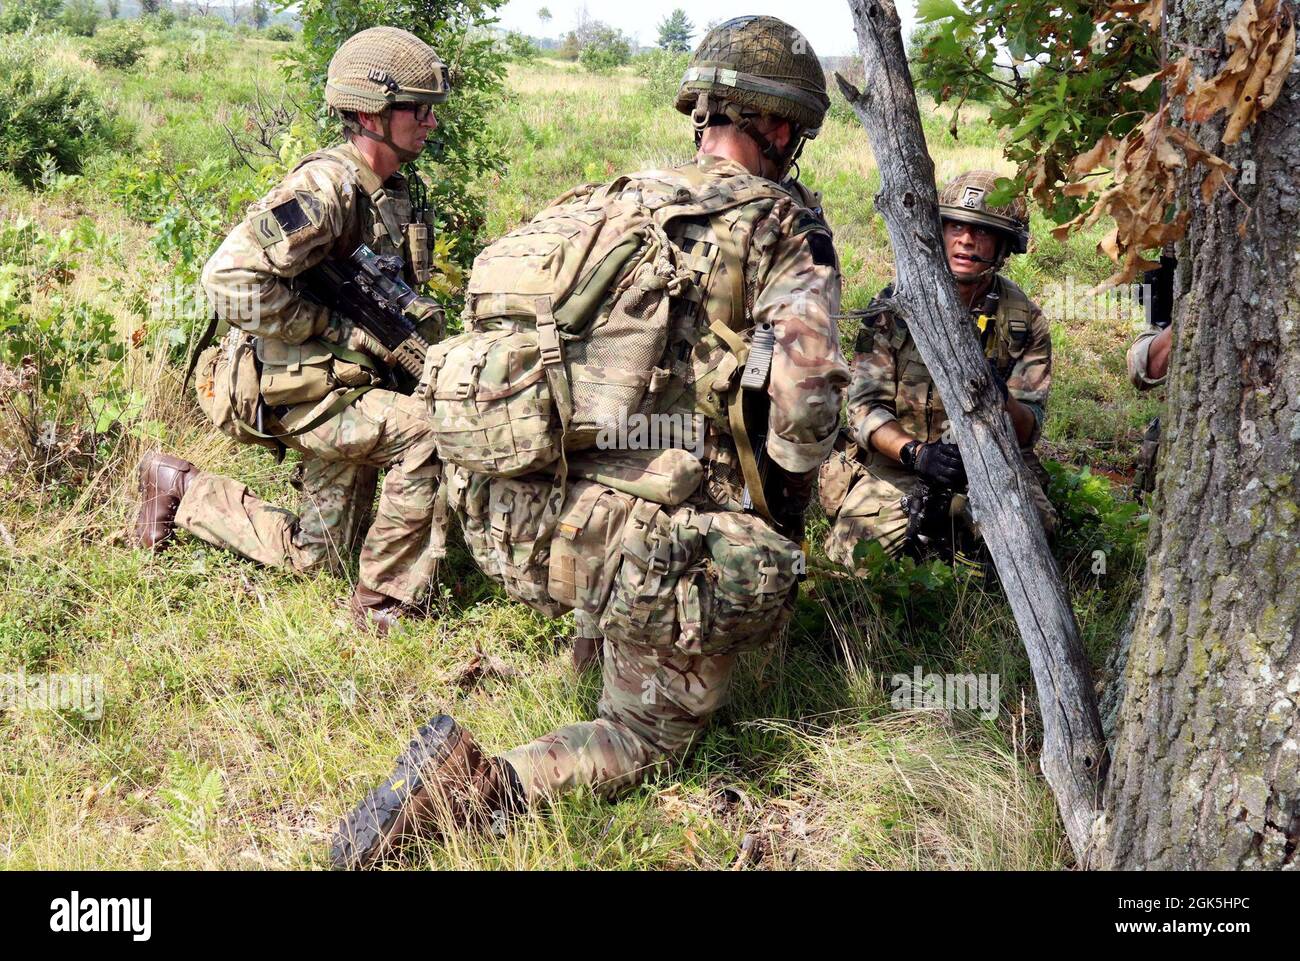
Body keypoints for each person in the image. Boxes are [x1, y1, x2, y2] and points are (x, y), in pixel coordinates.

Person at [329, 14, 851, 870]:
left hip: (511, 513)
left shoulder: (606, 201)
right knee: (648, 734)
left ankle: (601, 634)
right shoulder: (778, 226)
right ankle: (473, 790)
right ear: (784, 129)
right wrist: (781, 523)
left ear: (703, 112)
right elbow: (806, 408)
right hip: (635, 541)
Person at [133, 27, 448, 634]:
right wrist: (329, 324)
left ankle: (180, 489)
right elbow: (227, 279)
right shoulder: (325, 188)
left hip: (344, 381)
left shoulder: (393, 194)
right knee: (426, 436)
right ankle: (384, 606)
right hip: (296, 387)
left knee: (315, 558)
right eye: (418, 108)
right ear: (370, 112)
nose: (430, 123)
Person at [821, 170, 1055, 566]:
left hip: (990, 463)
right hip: (900, 462)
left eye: (981, 232)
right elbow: (862, 410)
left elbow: (1028, 429)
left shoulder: (1023, 321)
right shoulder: (894, 308)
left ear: (1003, 247)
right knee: (854, 555)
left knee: (1032, 544)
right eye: (956, 227)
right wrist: (916, 454)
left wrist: (1000, 400)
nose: (965, 240)